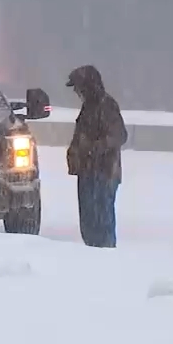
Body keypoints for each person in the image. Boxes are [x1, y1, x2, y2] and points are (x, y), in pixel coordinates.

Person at [65, 65, 127, 248]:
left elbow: (119, 135)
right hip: (87, 172)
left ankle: (105, 256)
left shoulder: (106, 106)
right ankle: (92, 253)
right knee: (88, 220)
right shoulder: (87, 108)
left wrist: (94, 149)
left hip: (104, 173)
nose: (76, 92)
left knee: (102, 220)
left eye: (78, 87)